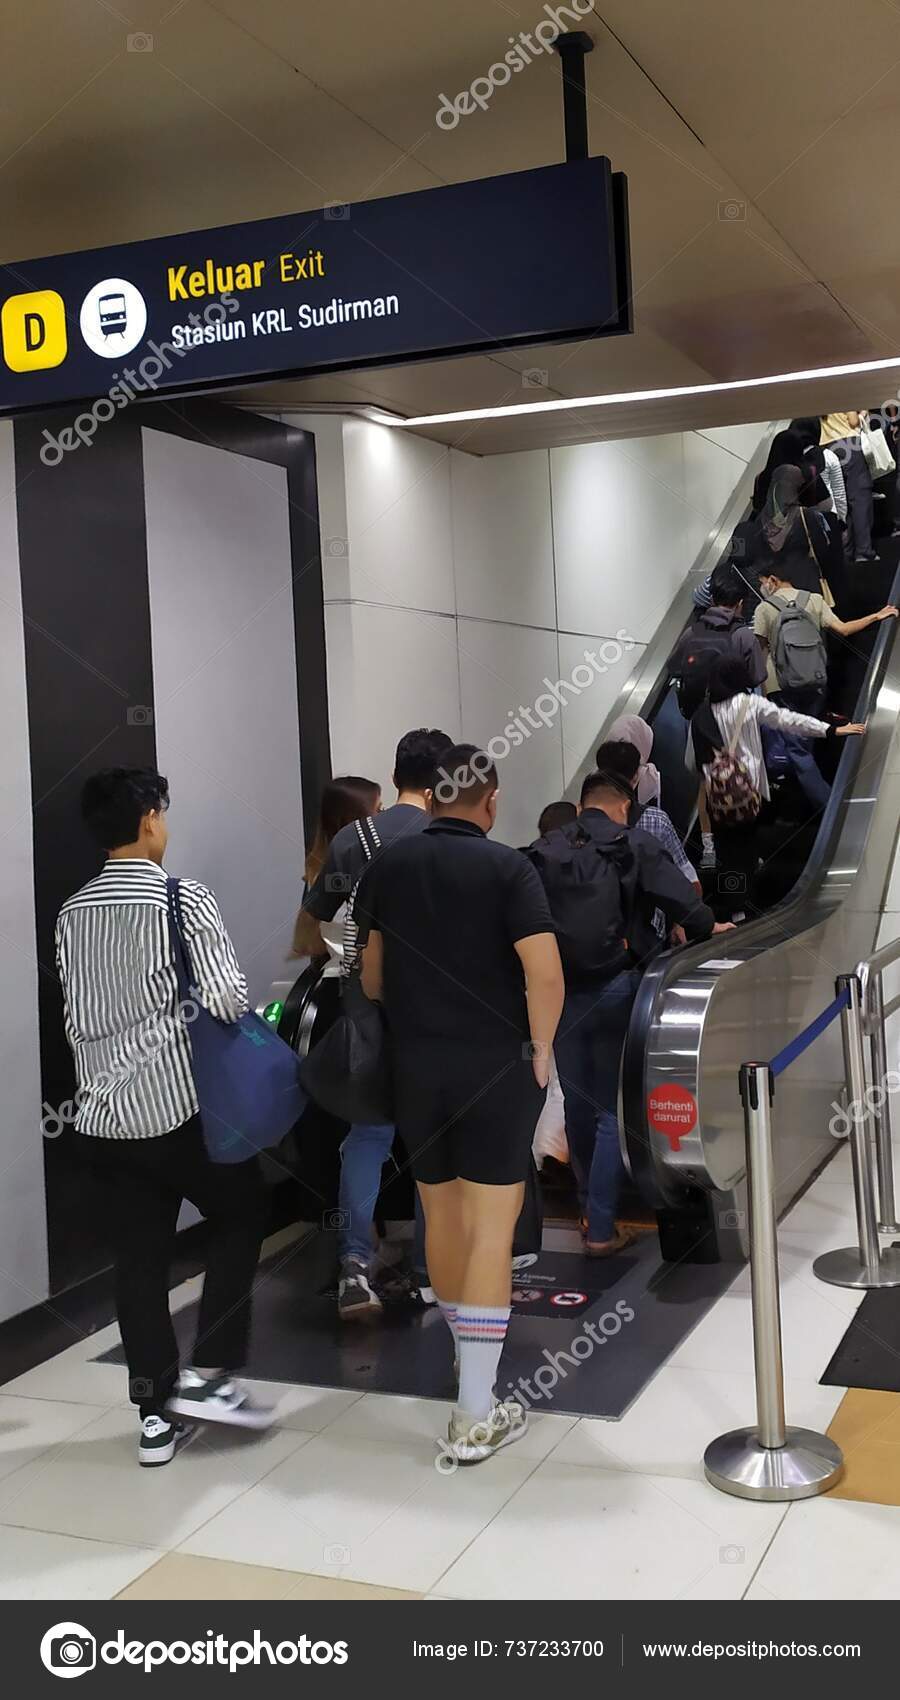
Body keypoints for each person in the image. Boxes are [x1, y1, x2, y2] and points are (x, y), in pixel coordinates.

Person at [55, 769, 272, 1467]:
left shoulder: (71, 912)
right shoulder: (181, 897)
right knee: (242, 1213)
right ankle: (211, 1373)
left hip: (104, 1116)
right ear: (150, 819)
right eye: (163, 814)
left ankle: (154, 1418)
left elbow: (75, 1017)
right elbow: (228, 997)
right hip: (180, 1111)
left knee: (139, 1261)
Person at [357, 745, 564, 1465]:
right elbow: (544, 973)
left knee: (438, 1212)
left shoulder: (389, 866)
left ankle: (465, 1364)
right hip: (493, 1068)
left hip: (417, 1066)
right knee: (491, 1227)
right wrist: (540, 1052)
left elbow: (373, 975)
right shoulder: (509, 868)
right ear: (491, 801)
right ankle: (476, 1413)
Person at [530, 767, 731, 1259]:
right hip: (619, 984)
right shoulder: (632, 842)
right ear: (622, 805)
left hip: (559, 993)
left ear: (582, 806)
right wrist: (711, 926)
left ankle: (584, 1209)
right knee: (609, 1113)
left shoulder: (542, 850)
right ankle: (600, 1227)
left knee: (578, 1105)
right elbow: (685, 904)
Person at [303, 728, 454, 1321]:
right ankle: (428, 1273)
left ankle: (355, 1269)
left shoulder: (354, 838)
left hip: (363, 1003)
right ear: (446, 781)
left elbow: (315, 913)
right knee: (433, 1141)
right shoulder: (453, 838)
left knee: (366, 1137)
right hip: (438, 1007)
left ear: (394, 778)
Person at [689, 655, 867, 918]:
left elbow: (692, 760)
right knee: (746, 846)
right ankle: (743, 906)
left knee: (729, 851)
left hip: (719, 795)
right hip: (747, 791)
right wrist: (830, 730)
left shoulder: (701, 714)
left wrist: (713, 776)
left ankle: (730, 904)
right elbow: (788, 720)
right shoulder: (749, 704)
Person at [752, 568, 897, 811]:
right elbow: (844, 629)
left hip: (784, 688)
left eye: (762, 583)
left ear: (773, 580)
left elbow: (759, 655)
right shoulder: (814, 599)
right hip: (816, 680)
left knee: (798, 751)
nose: (762, 588)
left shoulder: (764, 609)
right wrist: (876, 616)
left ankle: (831, 808)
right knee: (809, 732)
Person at [291, 774, 382, 963]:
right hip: (354, 974)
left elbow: (310, 944)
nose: (384, 818)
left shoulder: (318, 869)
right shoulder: (344, 875)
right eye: (379, 810)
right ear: (357, 820)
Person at [820, 411, 876, 562]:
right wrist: (863, 412)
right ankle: (863, 551)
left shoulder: (816, 392)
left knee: (840, 501)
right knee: (859, 498)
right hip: (848, 442)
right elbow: (852, 421)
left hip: (827, 446)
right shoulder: (843, 391)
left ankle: (846, 552)